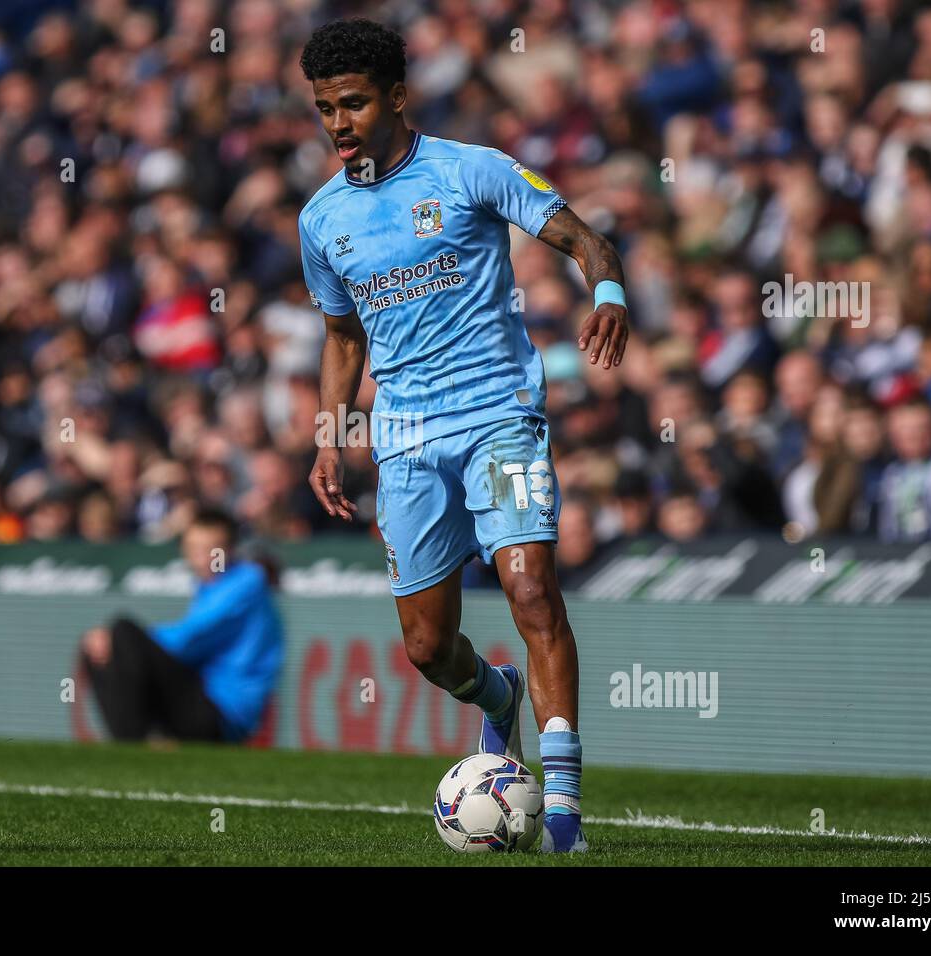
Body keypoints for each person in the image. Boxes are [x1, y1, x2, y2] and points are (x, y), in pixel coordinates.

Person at [297, 18, 629, 853]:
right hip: (406, 441)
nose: (340, 123)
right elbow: (343, 339)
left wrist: (611, 292)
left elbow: (585, 238)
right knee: (426, 646)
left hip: (498, 419)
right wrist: (329, 437)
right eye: (326, 108)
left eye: (355, 103)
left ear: (398, 97)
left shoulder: (471, 170)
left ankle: (561, 815)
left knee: (530, 589)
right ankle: (497, 696)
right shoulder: (321, 220)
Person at [79, 508, 283, 743]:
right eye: (193, 549)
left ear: (229, 549)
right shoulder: (210, 586)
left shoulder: (248, 580)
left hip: (222, 715)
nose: (200, 558)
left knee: (121, 632)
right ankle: (131, 740)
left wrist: (124, 641)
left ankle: (132, 746)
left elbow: (190, 636)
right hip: (201, 700)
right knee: (96, 646)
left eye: (210, 550)